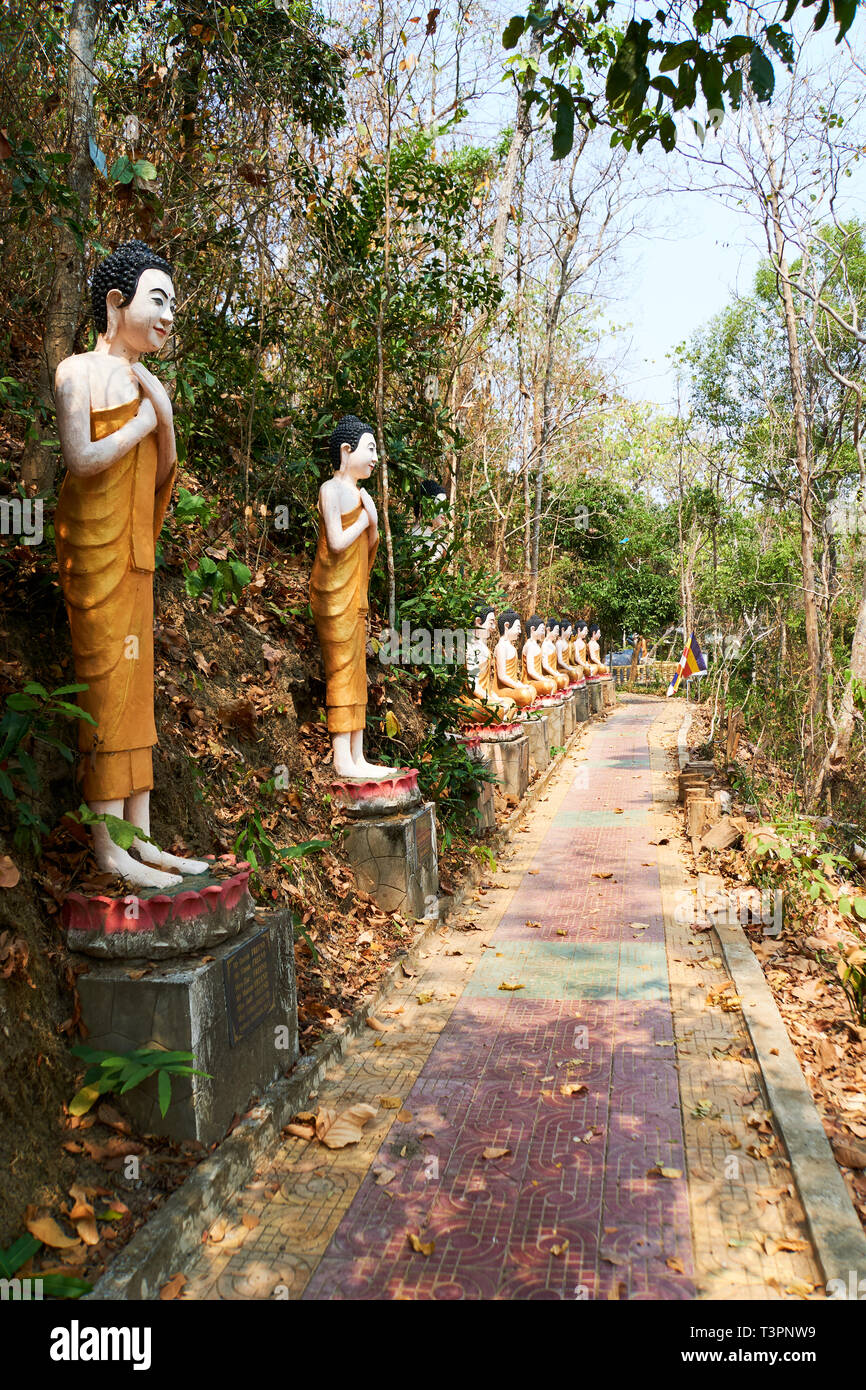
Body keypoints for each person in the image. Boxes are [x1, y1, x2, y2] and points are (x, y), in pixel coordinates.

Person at [54, 239, 208, 889]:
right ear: (116, 302)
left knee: (137, 694)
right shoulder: (76, 373)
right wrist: (143, 422)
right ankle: (107, 845)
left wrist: (162, 415)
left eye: (174, 302)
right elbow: (84, 461)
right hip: (93, 551)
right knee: (107, 689)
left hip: (136, 551)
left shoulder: (150, 385)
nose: (170, 314)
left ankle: (140, 836)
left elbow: (162, 476)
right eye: (158, 299)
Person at [309, 414, 395, 780]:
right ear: (347, 450)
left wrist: (371, 524)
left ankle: (358, 756)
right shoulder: (331, 490)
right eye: (370, 448)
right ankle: (341, 756)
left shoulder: (361, 495)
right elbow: (337, 541)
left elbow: (367, 548)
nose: (375, 458)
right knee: (342, 672)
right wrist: (366, 519)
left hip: (355, 595)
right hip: (333, 596)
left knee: (357, 674)